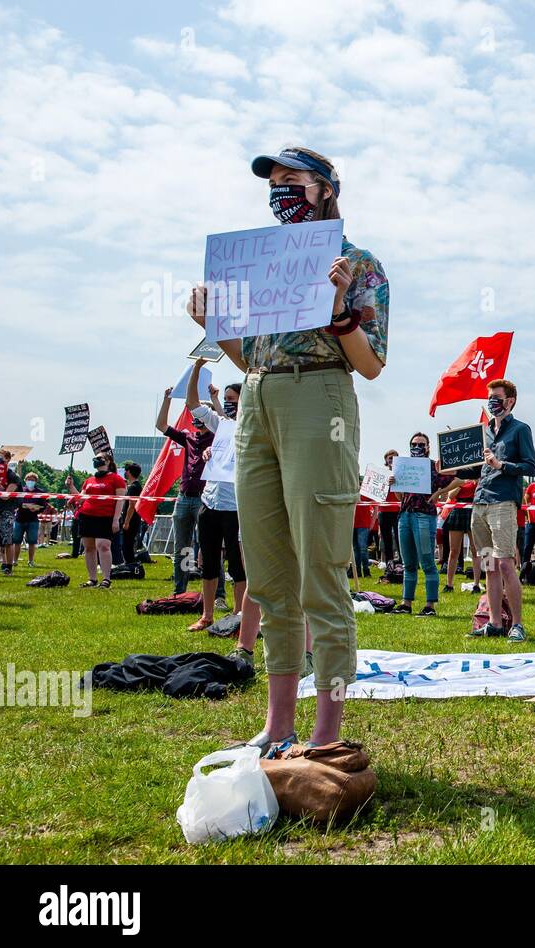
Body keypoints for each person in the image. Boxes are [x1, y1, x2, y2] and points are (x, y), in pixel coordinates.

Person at [186, 144, 388, 755]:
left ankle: (326, 733)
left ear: (327, 187)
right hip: (256, 399)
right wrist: (216, 330)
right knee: (268, 571)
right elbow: (255, 359)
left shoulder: (358, 264)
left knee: (320, 571)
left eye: (292, 181)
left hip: (319, 398)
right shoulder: (261, 264)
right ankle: (278, 724)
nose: (280, 192)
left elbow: (372, 365)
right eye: (273, 184)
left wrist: (339, 317)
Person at [181, 362, 263, 659]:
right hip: (210, 501)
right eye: (225, 400)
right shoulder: (222, 425)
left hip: (238, 504)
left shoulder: (256, 427)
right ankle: (207, 615)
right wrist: (197, 370)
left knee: (239, 566)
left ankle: (241, 617)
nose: (228, 404)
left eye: (233, 400)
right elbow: (192, 403)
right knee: (209, 562)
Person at [468, 379, 535, 641]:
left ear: (510, 401)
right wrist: (450, 467)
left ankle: (517, 624)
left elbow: (530, 466)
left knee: (506, 563)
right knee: (489, 564)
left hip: (503, 502)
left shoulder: (520, 429)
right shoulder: (484, 431)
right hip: (480, 502)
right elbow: (476, 468)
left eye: (496, 397)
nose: (491, 402)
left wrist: (502, 465)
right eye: (489, 397)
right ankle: (495, 622)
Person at [156, 386, 213, 595]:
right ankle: (180, 590)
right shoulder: (189, 437)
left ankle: (218, 594)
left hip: (204, 498)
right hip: (183, 498)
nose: (195, 419)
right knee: (183, 549)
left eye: (199, 415)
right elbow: (161, 425)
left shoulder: (217, 437)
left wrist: (213, 401)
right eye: (193, 415)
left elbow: (225, 425)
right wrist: (167, 399)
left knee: (208, 548)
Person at [390, 432, 451, 616]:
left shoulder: (432, 466)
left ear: (428, 447)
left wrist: (440, 493)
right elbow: (400, 496)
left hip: (425, 516)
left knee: (427, 562)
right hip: (405, 515)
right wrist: (393, 484)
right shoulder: (403, 466)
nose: (417, 447)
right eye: (414, 444)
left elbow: (458, 480)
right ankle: (406, 603)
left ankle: (429, 606)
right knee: (408, 563)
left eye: (421, 444)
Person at [65, 454, 126, 588]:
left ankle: (106, 579)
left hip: (105, 517)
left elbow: (120, 500)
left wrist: (116, 519)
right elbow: (81, 498)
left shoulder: (117, 479)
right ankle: (92, 579)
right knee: (89, 548)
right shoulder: (89, 480)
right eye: (95, 458)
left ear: (108, 461)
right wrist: (71, 487)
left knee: (103, 545)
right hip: (87, 516)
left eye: (100, 458)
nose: (96, 461)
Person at [437, 469, 481, 592]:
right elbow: (451, 495)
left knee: (475, 550)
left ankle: (476, 585)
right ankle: (449, 584)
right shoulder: (458, 478)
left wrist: (475, 481)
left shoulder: (478, 477)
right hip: (458, 510)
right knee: (454, 550)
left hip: (474, 510)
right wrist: (461, 483)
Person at [0, 450, 21, 574]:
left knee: (7, 540)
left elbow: (5, 496)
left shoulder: (13, 476)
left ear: (8, 460)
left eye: (1, 458)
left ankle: (8, 566)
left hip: (6, 510)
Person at [11, 471, 44, 569]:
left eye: (33, 480)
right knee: (16, 541)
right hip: (19, 519)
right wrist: (24, 505)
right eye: (29, 479)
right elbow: (16, 503)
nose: (30, 481)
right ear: (25, 480)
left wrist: (37, 508)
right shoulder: (21, 490)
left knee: (32, 542)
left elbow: (44, 505)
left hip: (33, 520)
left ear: (36, 481)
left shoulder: (40, 492)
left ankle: (30, 561)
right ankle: (14, 561)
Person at [119, 462, 145, 566]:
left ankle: (129, 564)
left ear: (129, 472)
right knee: (128, 543)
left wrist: (126, 522)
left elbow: (131, 505)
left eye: (126, 470)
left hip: (131, 520)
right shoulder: (135, 486)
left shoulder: (134, 487)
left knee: (127, 544)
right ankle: (129, 563)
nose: (125, 472)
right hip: (135, 519)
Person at [378, 449, 401, 568]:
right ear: (386, 460)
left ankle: (402, 562)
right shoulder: (381, 474)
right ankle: (389, 563)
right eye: (390, 458)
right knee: (386, 538)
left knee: (399, 538)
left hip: (397, 510)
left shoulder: (401, 473)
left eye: (395, 458)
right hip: (383, 511)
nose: (392, 460)